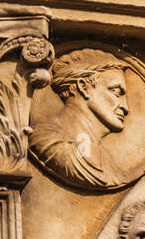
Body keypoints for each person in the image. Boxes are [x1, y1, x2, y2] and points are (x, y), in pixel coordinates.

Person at [31, 49, 130, 187]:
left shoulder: (109, 165)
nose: (126, 107)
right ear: (83, 87)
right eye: (116, 92)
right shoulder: (48, 144)